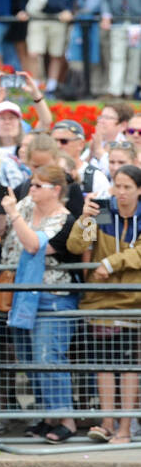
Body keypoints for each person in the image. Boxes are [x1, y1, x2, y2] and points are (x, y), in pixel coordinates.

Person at [0, 166, 78, 443]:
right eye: (31, 184)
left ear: (56, 189)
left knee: (49, 358)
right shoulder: (26, 206)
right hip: (21, 294)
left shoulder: (66, 221)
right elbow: (5, 233)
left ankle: (66, 418)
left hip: (52, 296)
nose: (31, 190)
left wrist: (14, 213)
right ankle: (48, 416)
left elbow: (33, 245)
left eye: (38, 186)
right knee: (30, 361)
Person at [66, 164, 141, 444]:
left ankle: (125, 428)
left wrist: (111, 262)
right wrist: (85, 218)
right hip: (100, 303)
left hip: (134, 303)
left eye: (127, 187)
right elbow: (76, 246)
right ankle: (107, 423)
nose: (120, 193)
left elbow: (139, 254)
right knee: (103, 364)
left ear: (139, 190)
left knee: (130, 366)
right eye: (117, 186)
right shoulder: (103, 210)